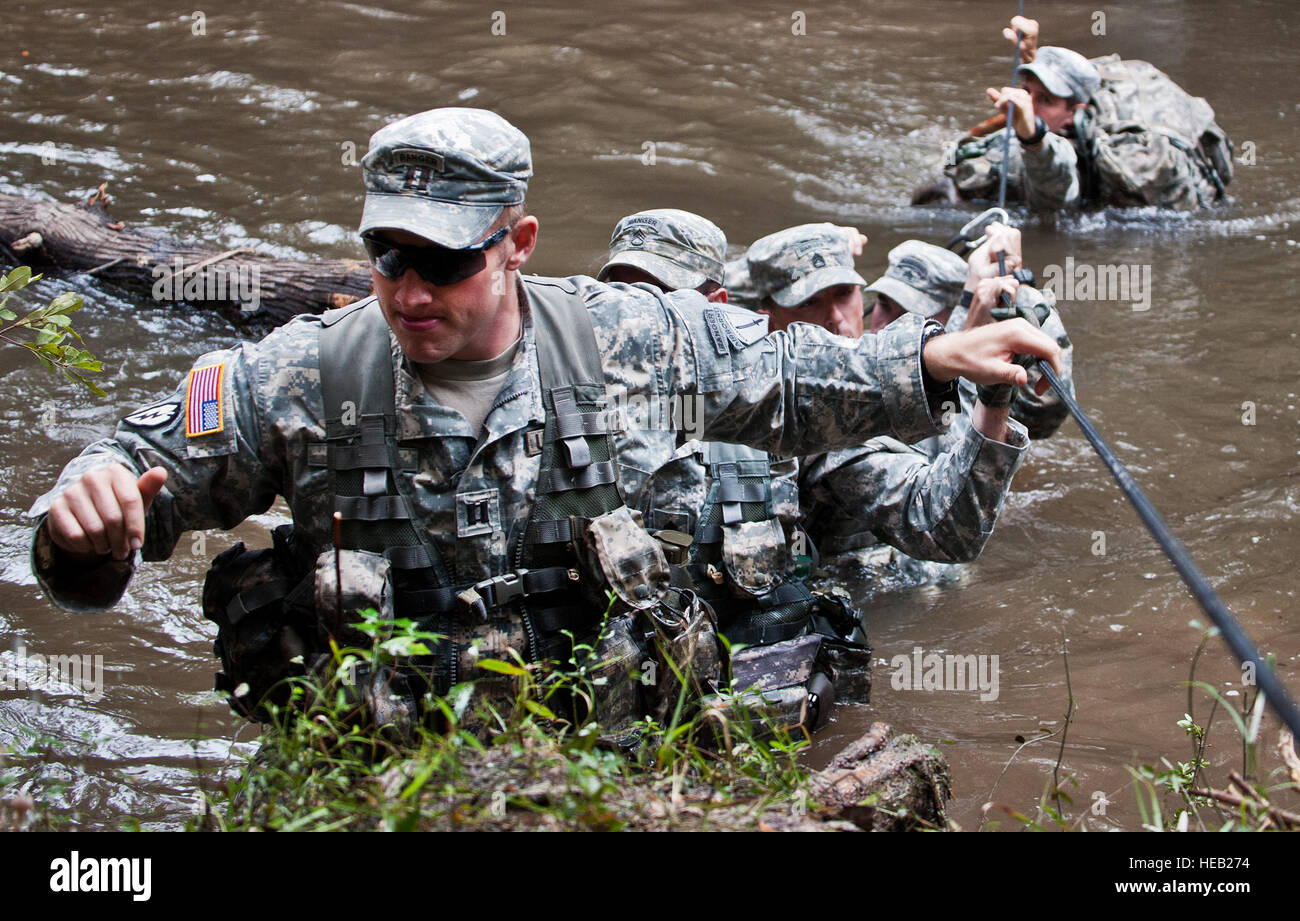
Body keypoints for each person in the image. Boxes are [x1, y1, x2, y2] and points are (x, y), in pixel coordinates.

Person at [27, 108, 1060, 738]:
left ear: (516, 242)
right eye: (387, 255)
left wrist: (930, 360)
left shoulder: (632, 339)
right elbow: (125, 496)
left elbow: (789, 383)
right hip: (386, 783)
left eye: (443, 260)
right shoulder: (298, 375)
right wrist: (82, 525)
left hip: (606, 772)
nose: (409, 289)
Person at [945, 15, 1232, 211]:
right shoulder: (1066, 109)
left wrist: (1032, 137)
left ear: (1075, 112)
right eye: (1027, 91)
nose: (1028, 105)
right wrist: (1031, 56)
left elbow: (1054, 196)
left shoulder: (1124, 159)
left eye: (1044, 99)